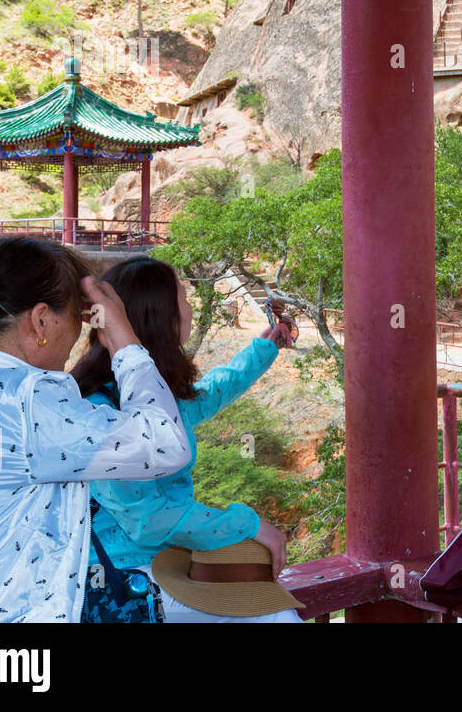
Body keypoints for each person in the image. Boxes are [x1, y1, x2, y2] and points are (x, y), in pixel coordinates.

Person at [0, 237, 191, 622]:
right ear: (39, 321)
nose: (76, 336)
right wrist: (122, 334)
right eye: (75, 317)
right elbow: (166, 443)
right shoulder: (24, 402)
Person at [70, 256, 301, 623]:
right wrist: (249, 524)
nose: (191, 308)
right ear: (162, 315)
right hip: (124, 579)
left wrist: (263, 349)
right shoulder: (104, 411)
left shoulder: (151, 393)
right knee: (274, 616)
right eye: (184, 298)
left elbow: (211, 392)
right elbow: (148, 521)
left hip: (162, 562)